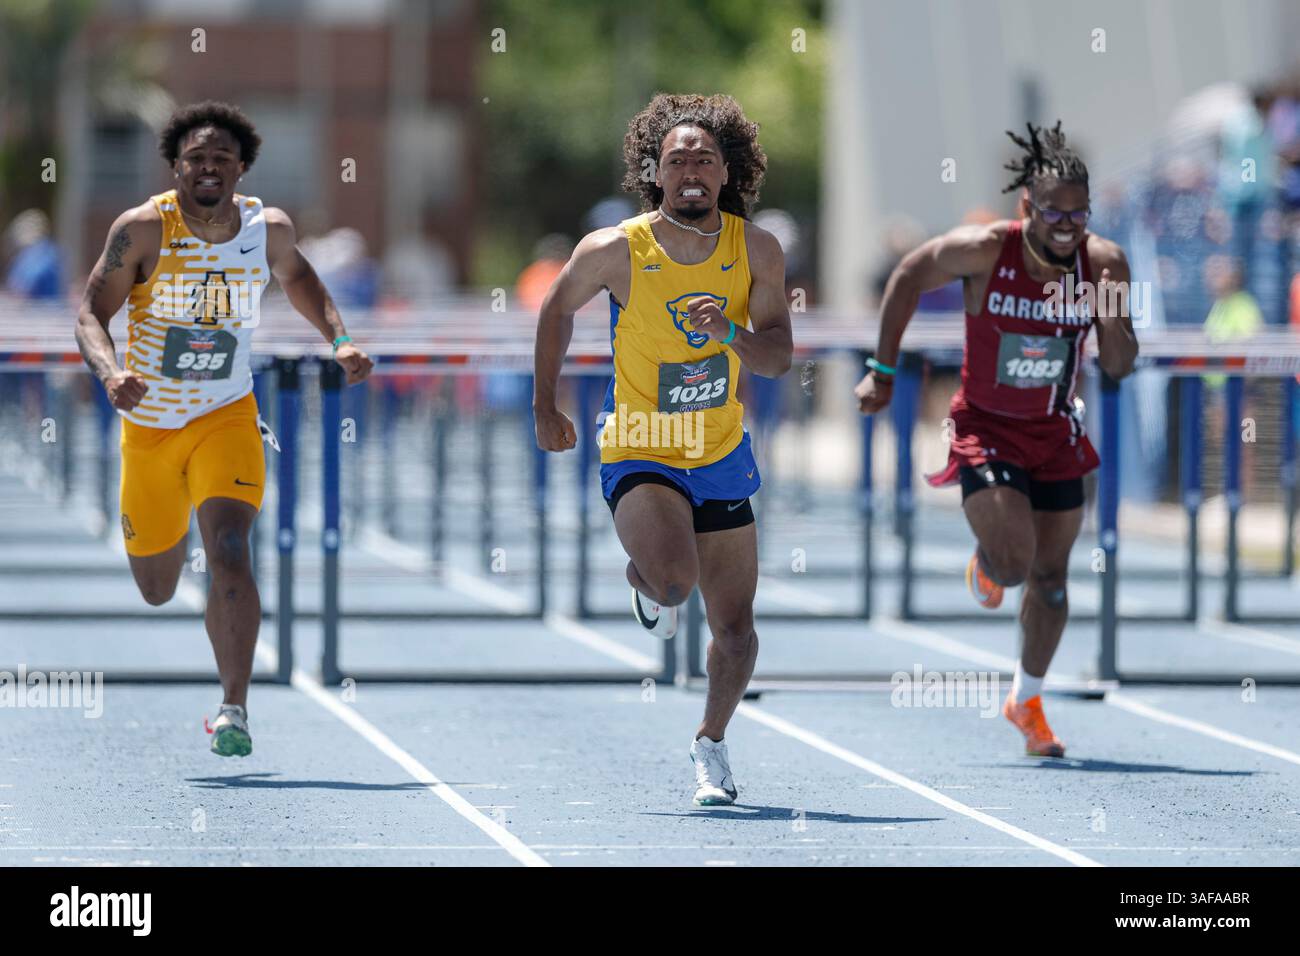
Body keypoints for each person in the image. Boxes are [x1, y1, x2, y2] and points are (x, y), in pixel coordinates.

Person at [74, 101, 373, 756]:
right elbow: (90, 314)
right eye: (195, 158)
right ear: (176, 167)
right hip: (149, 426)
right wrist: (110, 373)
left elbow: (302, 281)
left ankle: (233, 707)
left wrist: (341, 341)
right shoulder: (143, 229)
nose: (207, 167)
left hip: (225, 413)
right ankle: (171, 519)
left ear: (241, 168)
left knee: (232, 547)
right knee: (156, 588)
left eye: (220, 158)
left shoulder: (269, 230)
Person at [533, 93, 792, 804]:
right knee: (676, 582)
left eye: (704, 159)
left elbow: (776, 358)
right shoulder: (616, 248)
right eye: (676, 159)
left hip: (719, 449)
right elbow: (555, 308)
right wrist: (543, 403)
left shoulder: (756, 250)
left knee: (736, 631)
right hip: (644, 441)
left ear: (726, 173)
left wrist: (728, 334)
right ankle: (649, 578)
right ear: (655, 171)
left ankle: (710, 743)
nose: (690, 170)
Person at [856, 122, 1139, 757]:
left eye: (1078, 213)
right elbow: (905, 276)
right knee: (1013, 562)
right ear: (1026, 209)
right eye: (1053, 213)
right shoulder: (985, 250)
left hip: (1055, 429)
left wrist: (1110, 308)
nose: (1067, 225)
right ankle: (988, 561)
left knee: (1053, 579)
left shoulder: (1105, 262)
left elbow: (1120, 365)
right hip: (985, 425)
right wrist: (882, 371)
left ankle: (1028, 700)